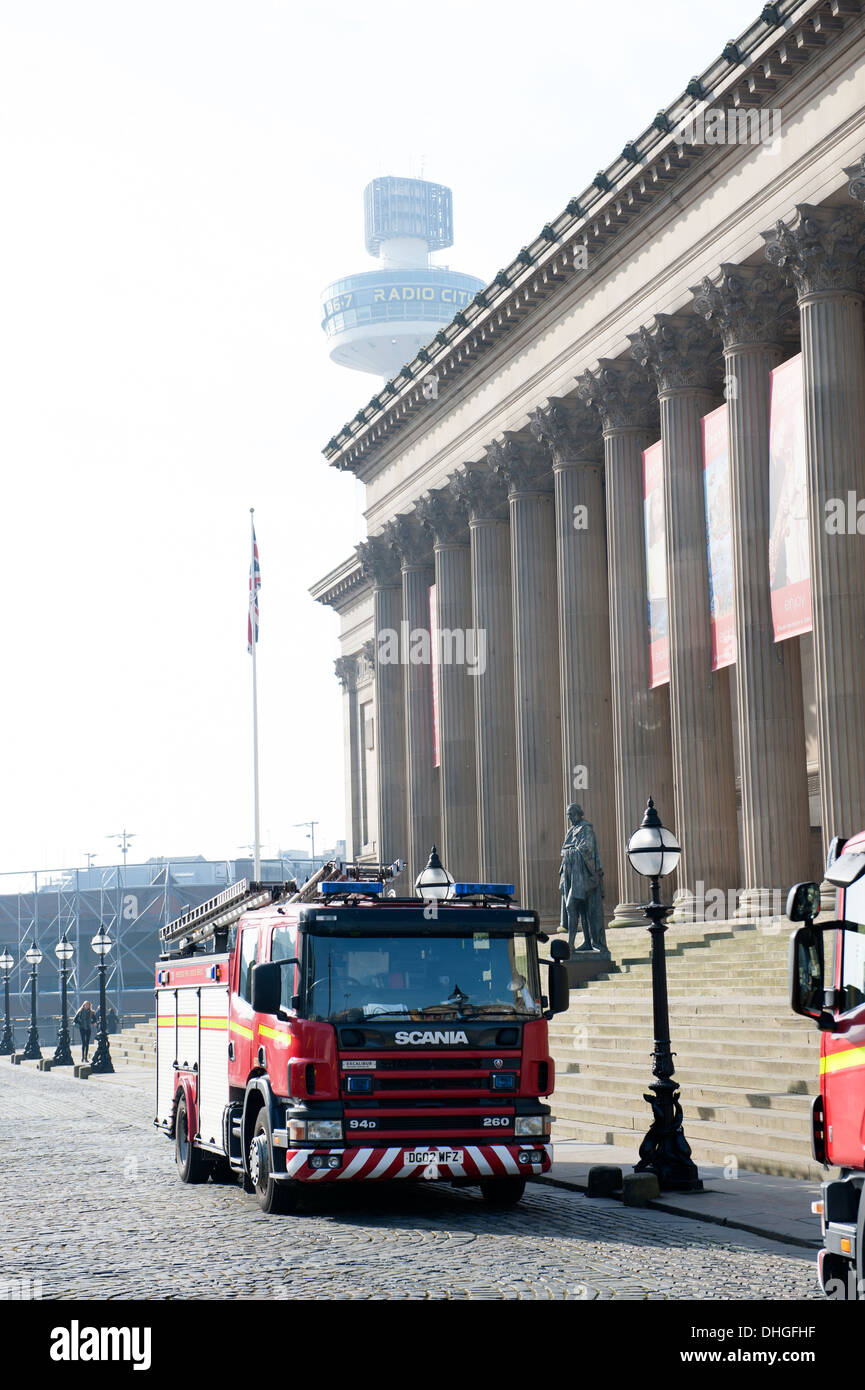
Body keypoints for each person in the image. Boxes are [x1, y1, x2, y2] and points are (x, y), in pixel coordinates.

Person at [559, 803, 606, 953]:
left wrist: (570, 852)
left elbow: (587, 849)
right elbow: (564, 850)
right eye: (568, 816)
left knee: (577, 907)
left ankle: (577, 943)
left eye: (571, 815)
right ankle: (585, 941)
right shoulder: (570, 831)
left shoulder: (586, 828)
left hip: (585, 876)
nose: (570, 818)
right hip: (571, 874)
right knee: (578, 908)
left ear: (579, 814)